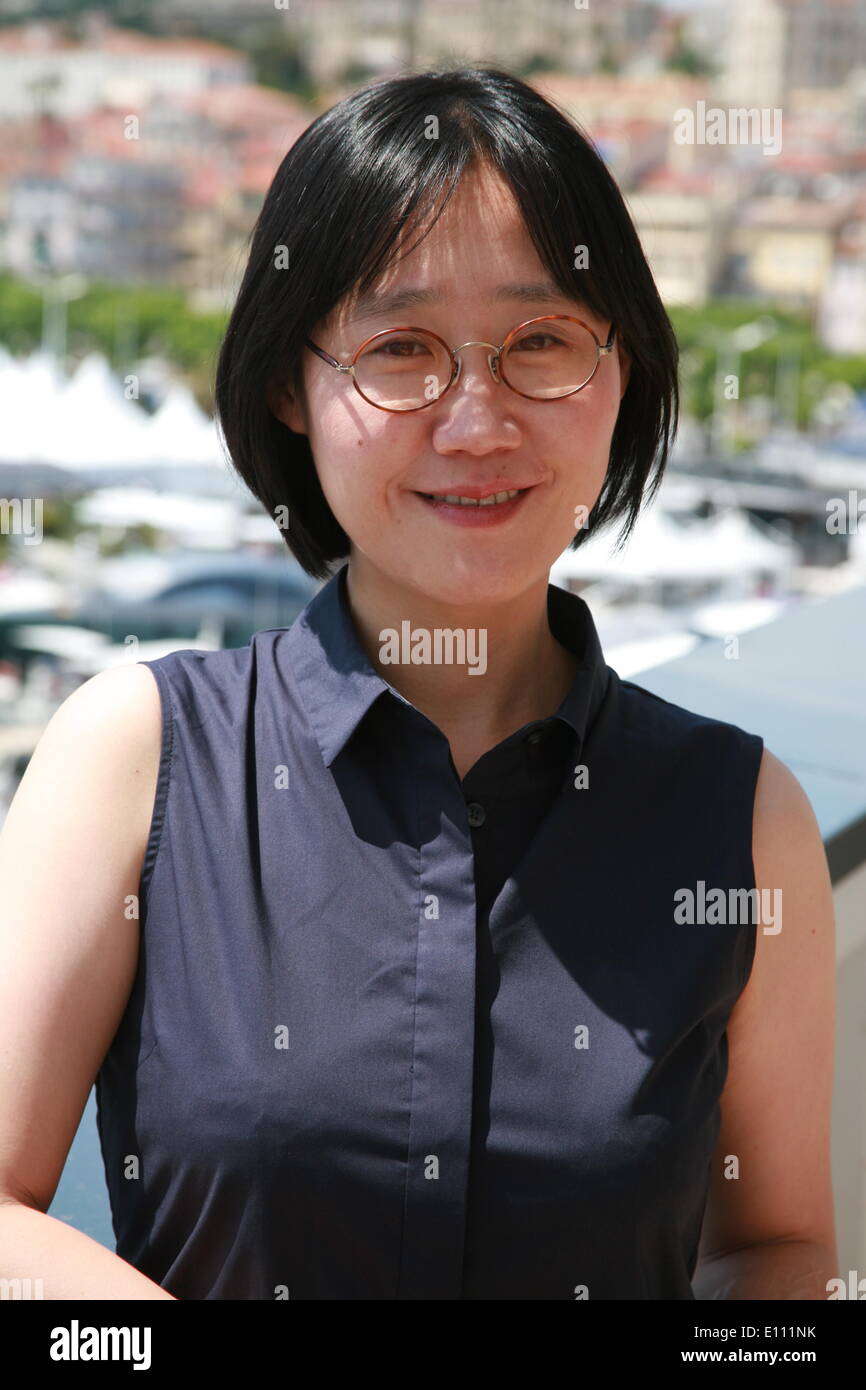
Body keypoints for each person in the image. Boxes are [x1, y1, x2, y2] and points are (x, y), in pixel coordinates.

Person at [0, 67, 837, 1301]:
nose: (476, 419)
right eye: (400, 350)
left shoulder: (739, 816)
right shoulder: (138, 756)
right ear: (290, 384)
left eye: (540, 340)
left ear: (623, 370)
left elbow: (778, 1248)